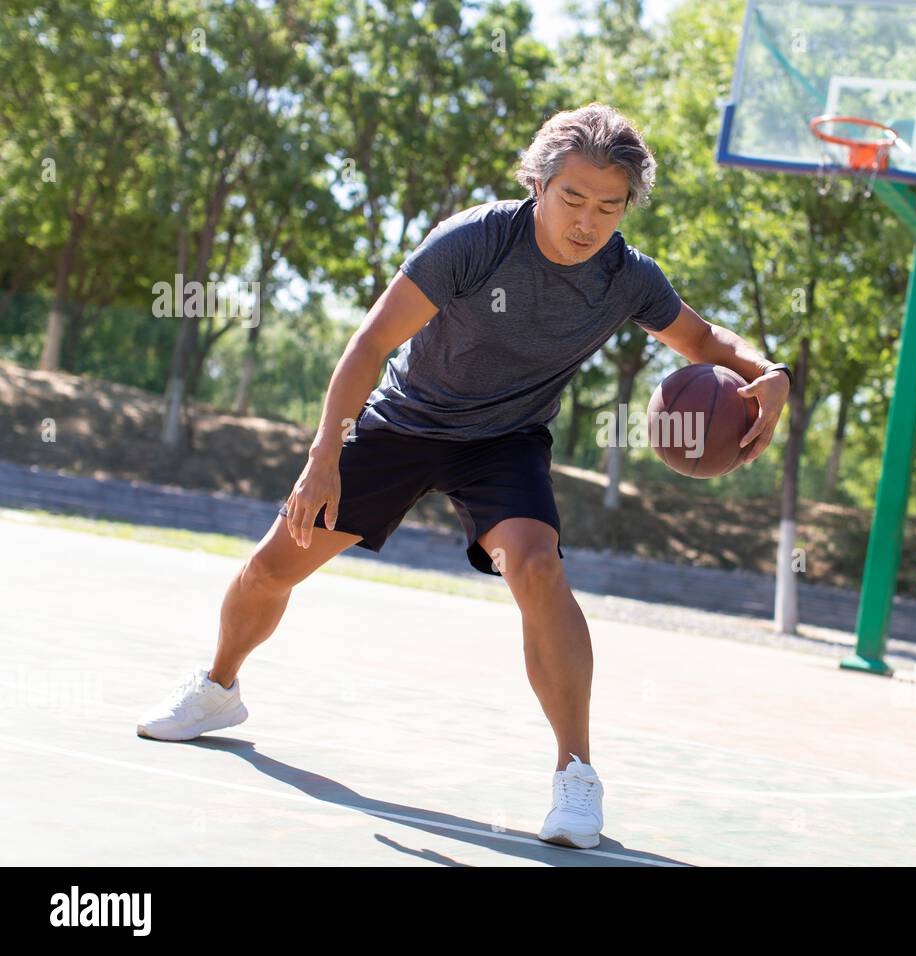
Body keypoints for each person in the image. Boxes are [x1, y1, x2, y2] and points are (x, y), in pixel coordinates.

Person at [136, 102, 791, 850]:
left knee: (539, 567)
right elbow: (371, 341)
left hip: (503, 443)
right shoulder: (476, 240)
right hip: (403, 423)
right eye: (572, 198)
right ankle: (219, 687)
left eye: (609, 207)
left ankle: (576, 775)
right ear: (538, 183)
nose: (588, 220)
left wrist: (769, 372)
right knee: (272, 565)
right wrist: (323, 458)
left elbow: (702, 338)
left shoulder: (626, 277)